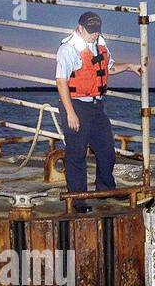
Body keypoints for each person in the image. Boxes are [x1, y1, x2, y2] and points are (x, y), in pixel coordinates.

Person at [55, 11, 143, 213]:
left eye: (96, 31)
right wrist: (70, 113)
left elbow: (109, 68)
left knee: (106, 150)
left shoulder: (99, 43)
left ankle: (106, 189)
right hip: (76, 105)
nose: (94, 35)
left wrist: (130, 66)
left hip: (97, 106)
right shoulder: (68, 49)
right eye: (90, 31)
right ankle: (77, 200)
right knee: (76, 154)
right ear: (79, 28)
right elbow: (61, 82)